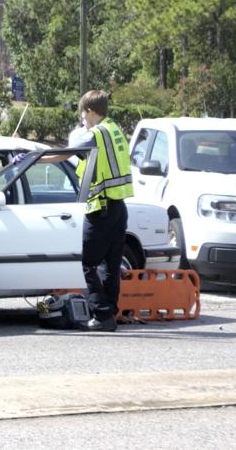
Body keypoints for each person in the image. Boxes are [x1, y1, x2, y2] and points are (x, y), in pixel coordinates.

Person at [68, 90, 134, 332]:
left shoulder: (96, 134)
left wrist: (33, 156)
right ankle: (110, 314)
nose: (82, 120)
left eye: (82, 115)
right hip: (119, 206)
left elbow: (68, 152)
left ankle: (103, 314)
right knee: (111, 265)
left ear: (91, 112)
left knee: (87, 263)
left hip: (101, 208)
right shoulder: (115, 129)